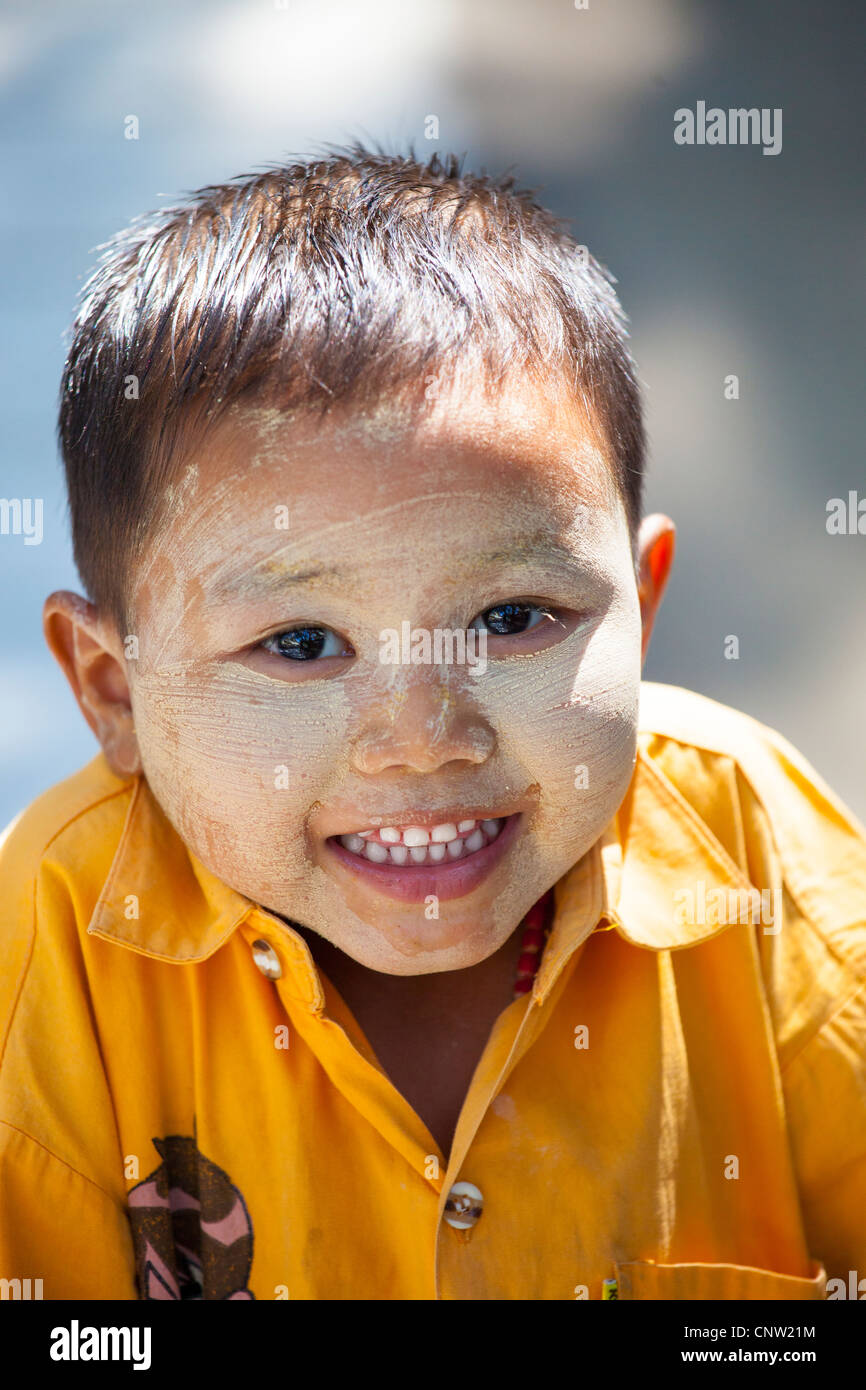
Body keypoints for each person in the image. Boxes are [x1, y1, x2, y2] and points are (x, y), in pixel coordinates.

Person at [1, 145, 864, 1301]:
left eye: (511, 618)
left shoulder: (757, 856)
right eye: (301, 644)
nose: (422, 737)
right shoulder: (50, 948)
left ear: (642, 606)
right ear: (115, 691)